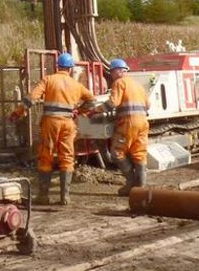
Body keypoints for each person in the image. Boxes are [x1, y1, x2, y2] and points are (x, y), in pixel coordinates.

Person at [15, 53, 98, 205]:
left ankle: (43, 196)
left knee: (46, 155)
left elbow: (31, 98)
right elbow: (92, 101)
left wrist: (18, 112)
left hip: (50, 123)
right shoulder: (76, 85)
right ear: (71, 69)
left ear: (57, 66)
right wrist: (79, 111)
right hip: (68, 123)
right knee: (67, 157)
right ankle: (64, 197)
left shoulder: (48, 79)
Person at [105, 58, 150, 196]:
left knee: (117, 153)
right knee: (139, 153)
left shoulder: (119, 83)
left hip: (128, 123)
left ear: (119, 71)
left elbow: (113, 103)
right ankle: (141, 189)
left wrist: (95, 110)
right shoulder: (138, 85)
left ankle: (131, 182)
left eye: (112, 72)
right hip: (143, 123)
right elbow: (148, 105)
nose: (111, 75)